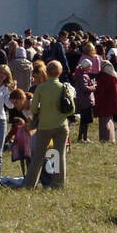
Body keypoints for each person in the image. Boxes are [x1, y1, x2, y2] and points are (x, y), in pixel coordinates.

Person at [23, 60, 73, 189]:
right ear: (60, 72)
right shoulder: (64, 87)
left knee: (38, 157)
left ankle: (29, 184)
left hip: (45, 126)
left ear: (47, 72)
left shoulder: (41, 88)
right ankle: (58, 184)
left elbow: (33, 109)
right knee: (59, 155)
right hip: (61, 126)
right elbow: (72, 109)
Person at [94, 59, 117, 143]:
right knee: (110, 120)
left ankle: (104, 139)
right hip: (114, 101)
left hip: (104, 101)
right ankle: (112, 138)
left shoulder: (103, 77)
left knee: (104, 121)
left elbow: (100, 90)